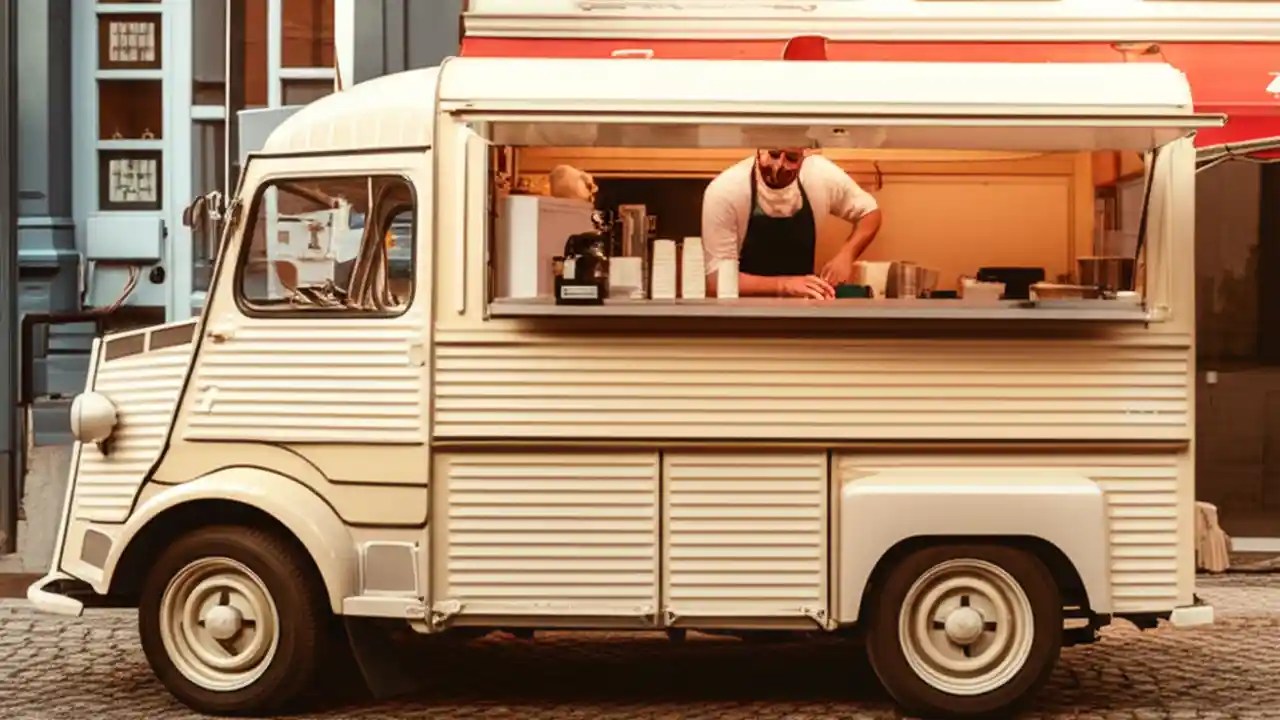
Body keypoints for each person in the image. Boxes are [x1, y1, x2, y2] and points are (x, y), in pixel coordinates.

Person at [701, 148, 882, 299]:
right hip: (743, 316)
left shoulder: (819, 175)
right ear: (758, 149)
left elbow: (870, 212)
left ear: (805, 154)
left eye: (791, 158)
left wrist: (847, 255)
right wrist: (785, 285)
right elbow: (717, 281)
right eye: (773, 154)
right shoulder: (726, 190)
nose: (779, 165)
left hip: (801, 311)